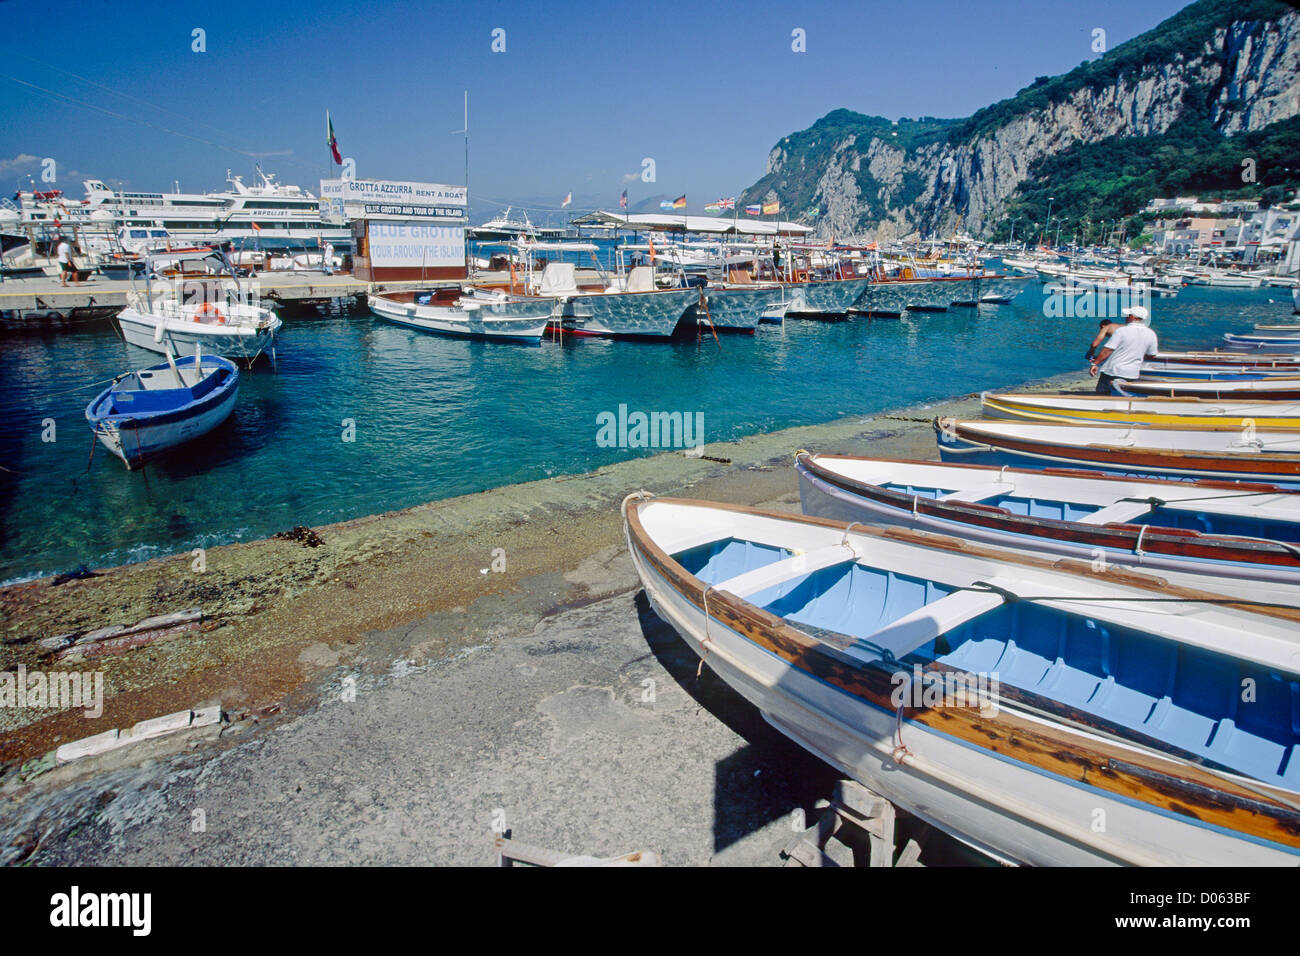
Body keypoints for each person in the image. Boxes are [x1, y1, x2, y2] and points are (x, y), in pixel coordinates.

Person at [1090, 306, 1156, 395]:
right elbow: (1152, 355)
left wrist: (1095, 364)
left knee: (1102, 396)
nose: (1126, 316)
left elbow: (1107, 350)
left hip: (1113, 372)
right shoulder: (1151, 334)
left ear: (1133, 317)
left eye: (1128, 315)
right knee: (1124, 398)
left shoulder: (1122, 331)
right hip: (1132, 373)